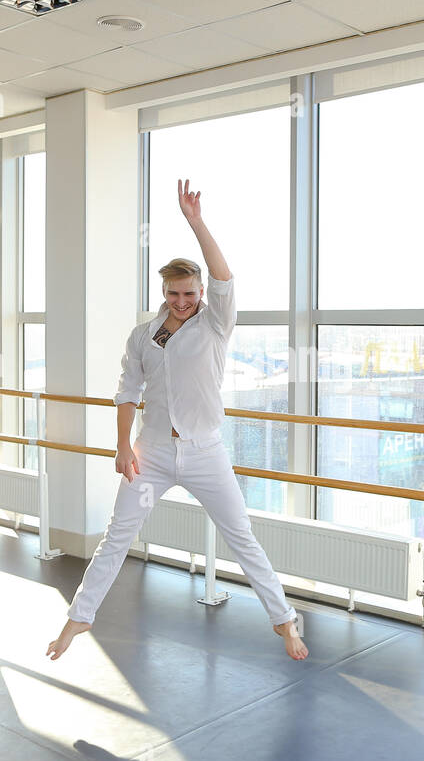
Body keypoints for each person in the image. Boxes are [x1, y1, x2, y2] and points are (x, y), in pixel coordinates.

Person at [48, 179, 308, 662]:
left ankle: (285, 622)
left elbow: (225, 275)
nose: (181, 301)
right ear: (163, 291)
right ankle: (79, 618)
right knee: (116, 537)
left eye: (189, 293)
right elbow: (126, 393)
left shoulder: (215, 322)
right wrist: (123, 447)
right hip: (154, 454)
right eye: (173, 294)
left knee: (242, 538)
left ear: (200, 291)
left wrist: (195, 221)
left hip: (206, 453)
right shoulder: (143, 336)